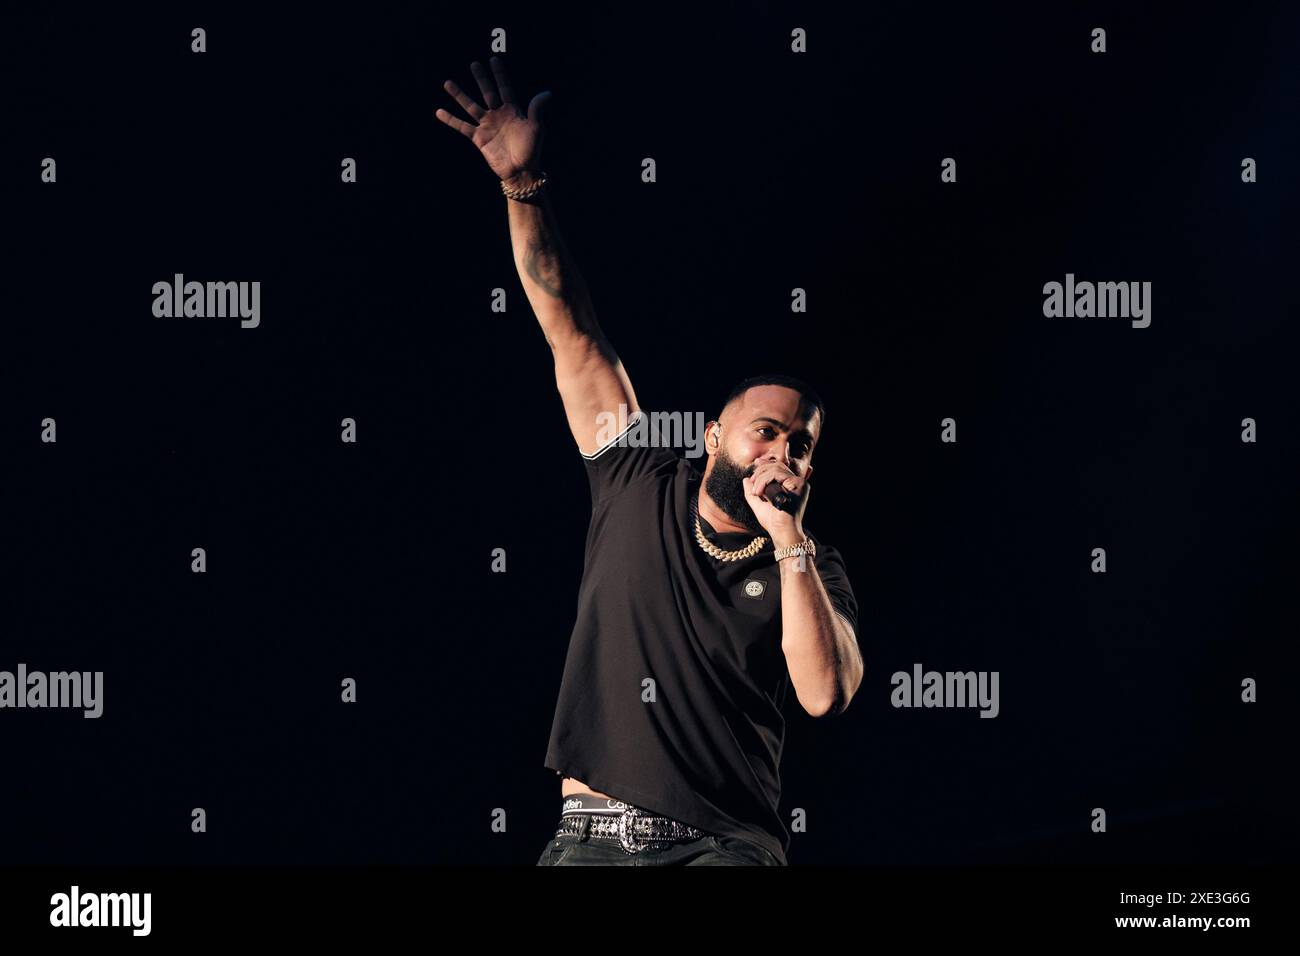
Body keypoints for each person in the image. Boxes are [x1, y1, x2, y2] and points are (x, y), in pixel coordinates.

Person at [436, 56, 863, 866]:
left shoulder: (809, 567)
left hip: (723, 851)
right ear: (711, 434)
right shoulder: (635, 477)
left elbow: (824, 693)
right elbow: (572, 327)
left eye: (800, 444)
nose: (782, 449)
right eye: (766, 430)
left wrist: (790, 541)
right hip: (587, 841)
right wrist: (523, 189)